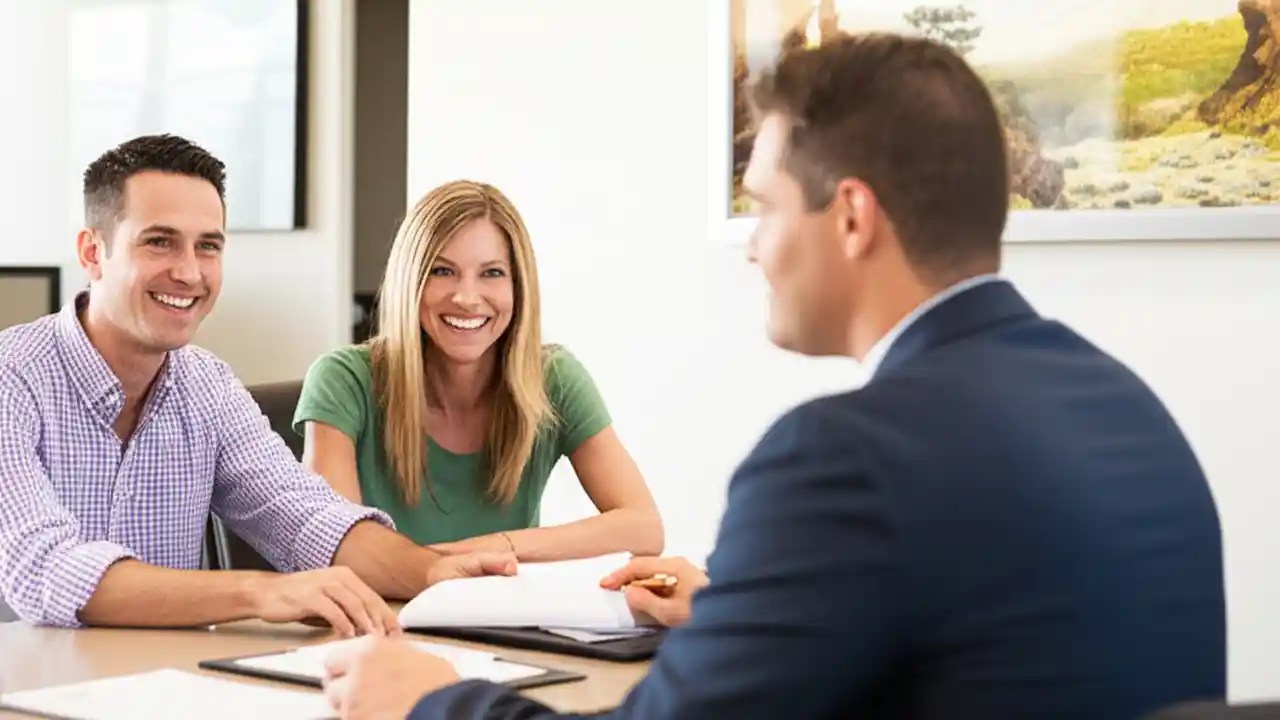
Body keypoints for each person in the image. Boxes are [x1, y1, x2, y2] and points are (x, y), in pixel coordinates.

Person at [320, 33, 1226, 720]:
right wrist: (747, 614)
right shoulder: (1120, 405)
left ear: (852, 217)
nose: (754, 247)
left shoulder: (843, 458)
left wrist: (428, 700)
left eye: (764, 206)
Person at [0, 135, 513, 635]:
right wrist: (259, 594)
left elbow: (307, 518)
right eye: (159, 242)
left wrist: (433, 574)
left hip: (163, 687)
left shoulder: (208, 386)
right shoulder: (12, 376)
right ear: (93, 252)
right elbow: (42, 569)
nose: (189, 272)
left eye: (209, 247)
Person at [293, 180, 663, 560]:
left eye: (491, 273)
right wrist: (446, 567)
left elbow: (643, 528)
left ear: (519, 286)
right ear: (411, 282)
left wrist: (496, 548)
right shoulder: (343, 380)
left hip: (501, 616)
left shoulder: (553, 378)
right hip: (381, 615)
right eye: (442, 271)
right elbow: (338, 551)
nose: (467, 298)